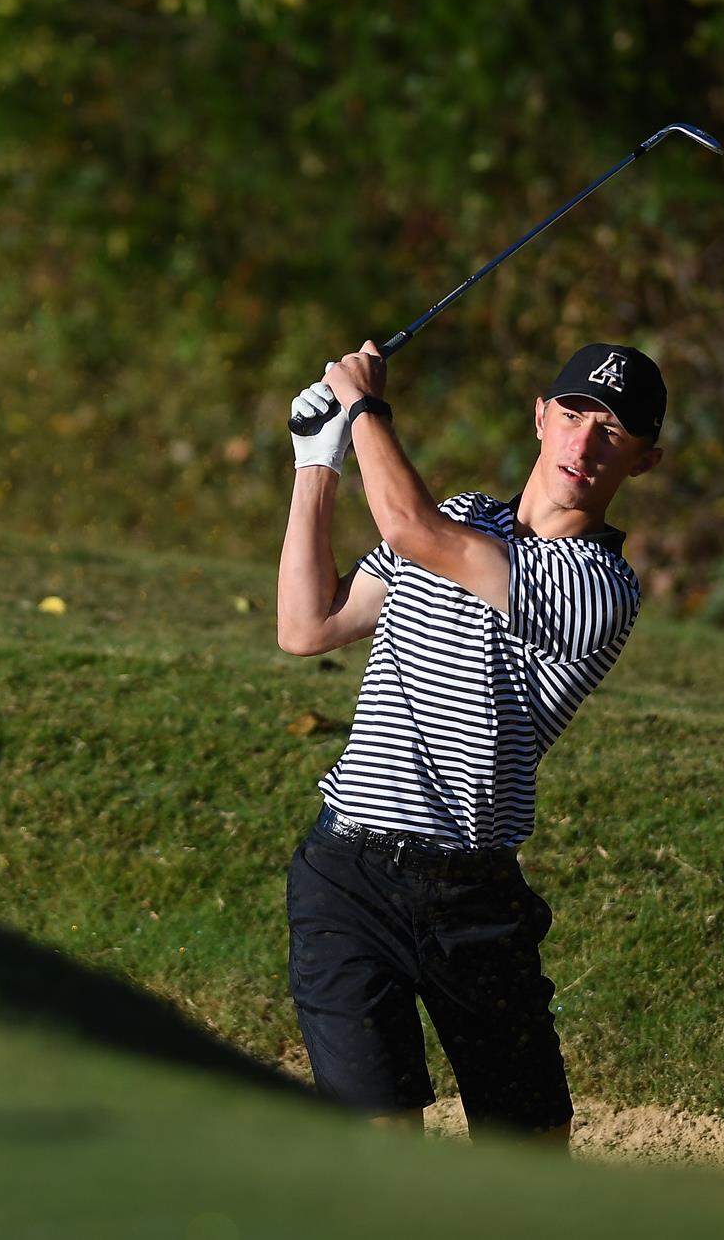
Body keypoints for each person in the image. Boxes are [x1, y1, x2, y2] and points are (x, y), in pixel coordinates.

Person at [274, 340, 667, 1145]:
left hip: (473, 899)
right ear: (540, 416)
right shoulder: (459, 514)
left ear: (645, 459)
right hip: (347, 878)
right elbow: (307, 624)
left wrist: (364, 407)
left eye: (613, 431)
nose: (586, 442)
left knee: (529, 1161)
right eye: (574, 414)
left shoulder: (599, 588)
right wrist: (317, 463)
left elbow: (413, 529)